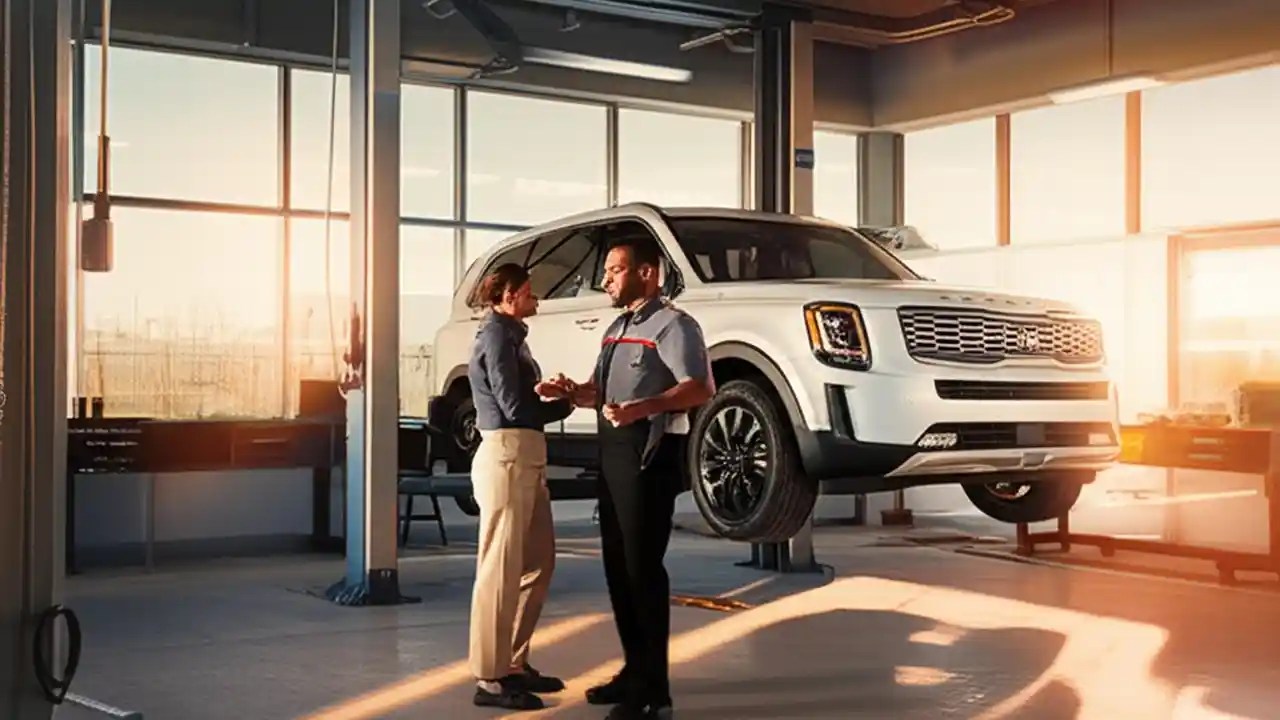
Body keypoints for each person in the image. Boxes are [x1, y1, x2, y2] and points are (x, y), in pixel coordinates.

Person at [541, 236, 714, 720]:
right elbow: (602, 392)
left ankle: (654, 691)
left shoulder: (675, 326)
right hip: (612, 456)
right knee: (617, 568)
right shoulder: (616, 328)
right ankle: (633, 671)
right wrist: (574, 391)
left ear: (647, 273)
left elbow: (700, 387)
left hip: (649, 459)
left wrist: (645, 407)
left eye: (615, 270)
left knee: (643, 569)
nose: (605, 280)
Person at [465, 263, 574, 711]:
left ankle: (512, 661)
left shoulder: (512, 338)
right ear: (507, 296)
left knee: (537, 562)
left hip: (526, 455)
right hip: (507, 455)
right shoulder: (494, 336)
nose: (535, 300)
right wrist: (562, 405)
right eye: (528, 293)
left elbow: (519, 396)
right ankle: (490, 678)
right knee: (500, 569)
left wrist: (545, 391)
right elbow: (511, 405)